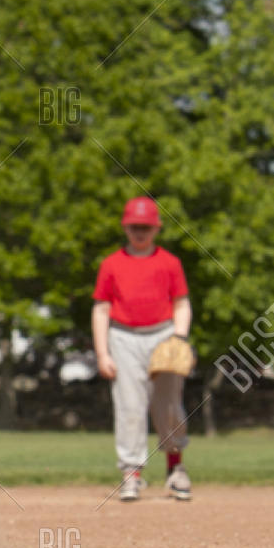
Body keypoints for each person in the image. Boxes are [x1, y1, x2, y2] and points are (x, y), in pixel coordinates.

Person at [91, 196, 193, 503]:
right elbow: (100, 310)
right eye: (134, 226)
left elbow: (181, 303)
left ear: (156, 229)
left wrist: (179, 337)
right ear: (125, 227)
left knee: (169, 406)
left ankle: (175, 469)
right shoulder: (111, 264)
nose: (140, 232)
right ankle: (131, 474)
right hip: (122, 337)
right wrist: (102, 353)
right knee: (130, 407)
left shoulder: (169, 262)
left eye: (145, 227)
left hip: (163, 334)